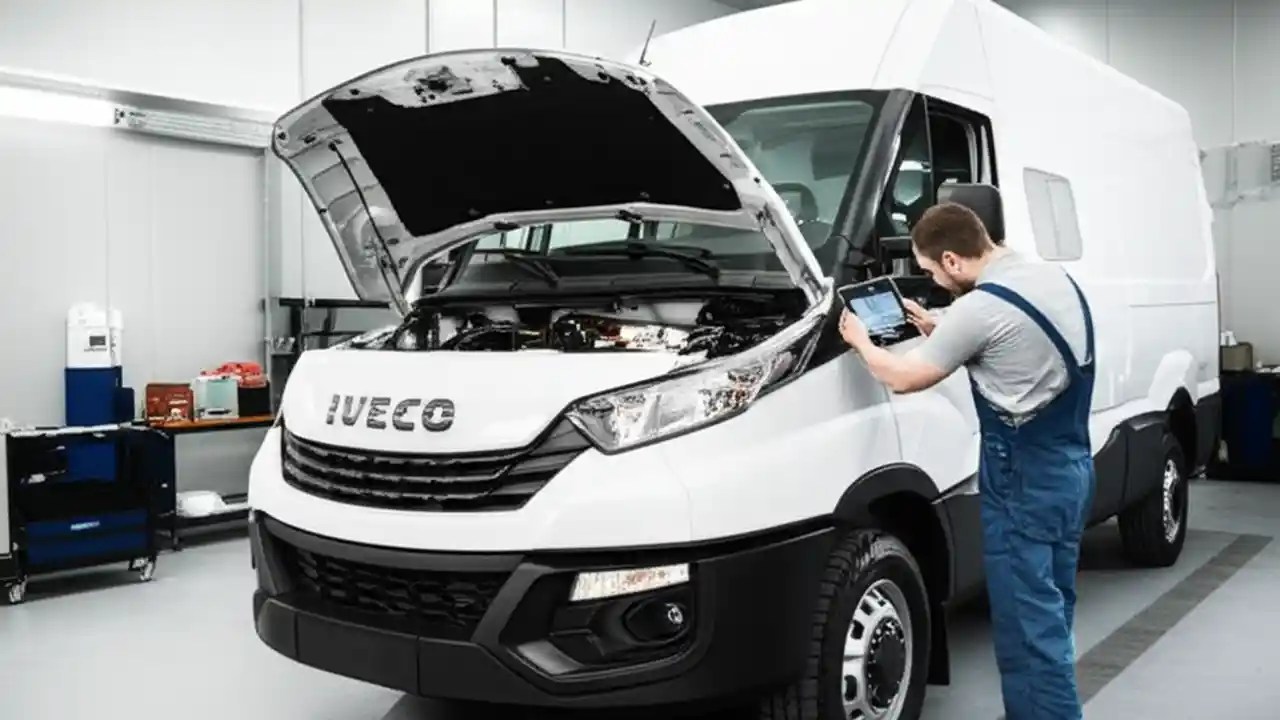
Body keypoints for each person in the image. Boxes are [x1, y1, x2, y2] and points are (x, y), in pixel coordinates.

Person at [838, 202, 1095, 720]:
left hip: (1022, 483)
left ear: (953, 261)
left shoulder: (979, 311)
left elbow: (904, 377)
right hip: (1069, 473)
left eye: (932, 271)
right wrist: (939, 326)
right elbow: (1011, 342)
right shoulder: (1045, 276)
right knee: (1051, 615)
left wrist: (860, 341)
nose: (935, 279)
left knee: (1028, 635)